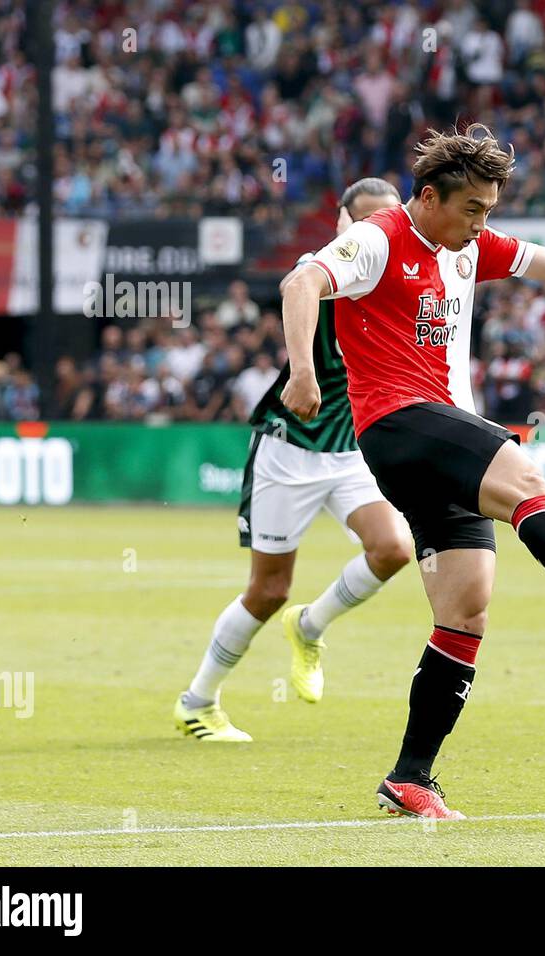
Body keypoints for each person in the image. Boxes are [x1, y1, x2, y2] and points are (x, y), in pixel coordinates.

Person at [280, 125, 545, 819]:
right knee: (528, 484)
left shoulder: (469, 246)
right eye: (472, 209)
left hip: (436, 440)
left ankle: (410, 777)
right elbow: (301, 281)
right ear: (428, 198)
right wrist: (304, 370)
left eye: (490, 210)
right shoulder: (381, 239)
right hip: (400, 423)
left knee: (464, 611)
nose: (483, 225)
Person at [174, 178, 413, 742]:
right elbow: (295, 281)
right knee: (268, 589)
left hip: (351, 449)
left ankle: (310, 626)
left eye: (390, 218)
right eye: (367, 220)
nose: (381, 230)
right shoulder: (325, 264)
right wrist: (303, 371)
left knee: (394, 548)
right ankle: (197, 701)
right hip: (290, 450)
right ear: (342, 224)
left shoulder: (405, 272)